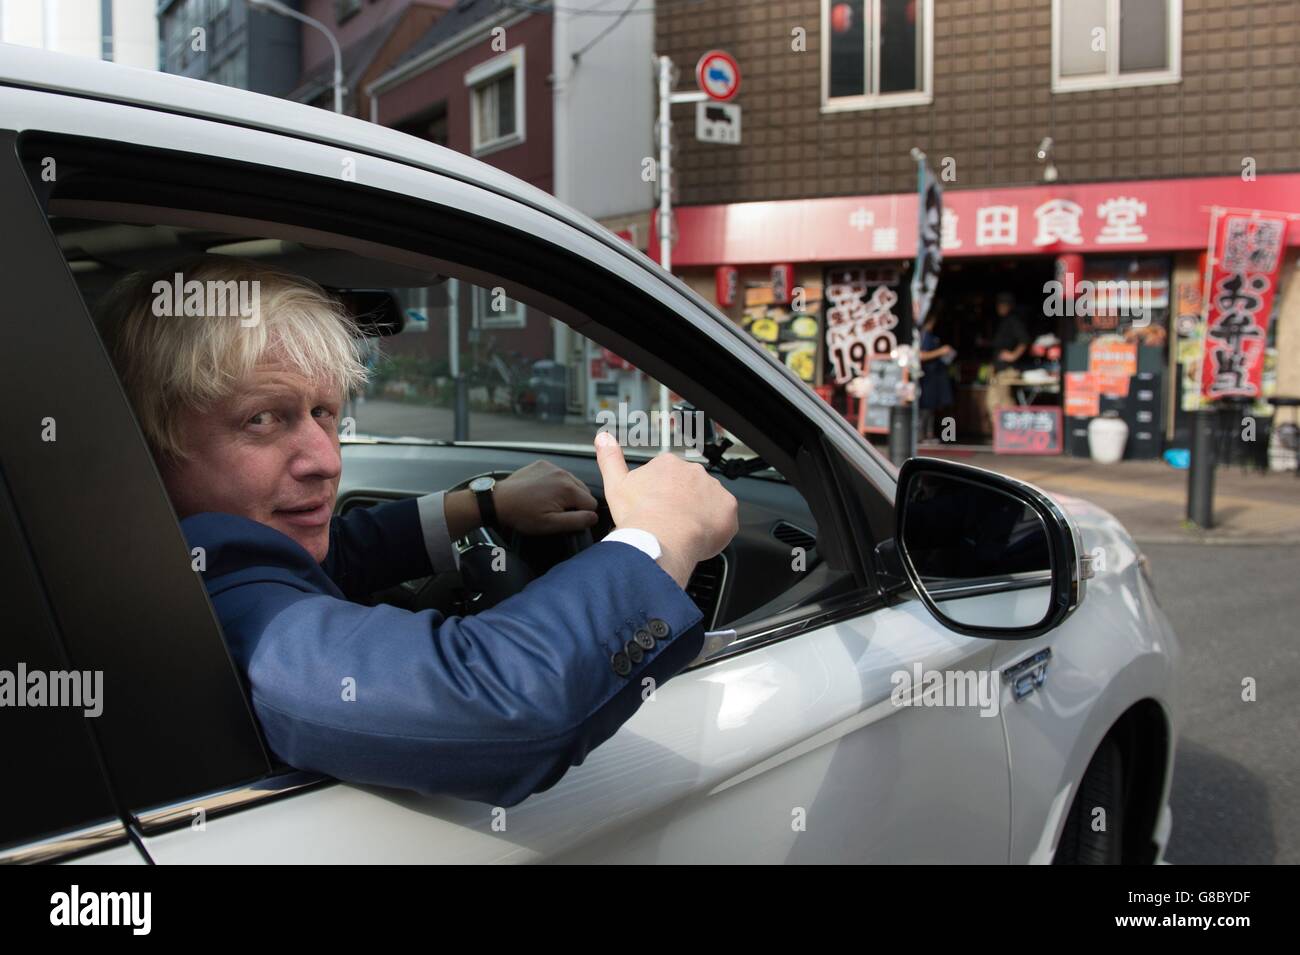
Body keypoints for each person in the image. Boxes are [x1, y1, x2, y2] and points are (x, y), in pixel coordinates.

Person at [99, 255, 738, 806]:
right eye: (263, 419)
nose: (324, 458)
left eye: (324, 411)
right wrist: (658, 538)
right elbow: (496, 707)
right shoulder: (219, 595)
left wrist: (485, 505)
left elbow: (333, 555)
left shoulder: (168, 549)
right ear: (148, 442)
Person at [985, 291, 1030, 428]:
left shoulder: (1013, 321)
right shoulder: (1002, 322)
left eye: (1002, 305)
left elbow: (1025, 340)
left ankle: (1010, 431)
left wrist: (1013, 355)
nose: (999, 308)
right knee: (993, 400)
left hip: (1007, 369)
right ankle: (1001, 431)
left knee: (1004, 401)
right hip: (998, 368)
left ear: (1008, 306)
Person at [917, 313, 954, 442]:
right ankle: (922, 435)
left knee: (931, 407)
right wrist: (941, 351)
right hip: (927, 376)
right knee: (926, 406)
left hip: (933, 375)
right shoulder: (924, 335)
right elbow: (921, 355)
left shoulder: (929, 336)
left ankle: (929, 434)